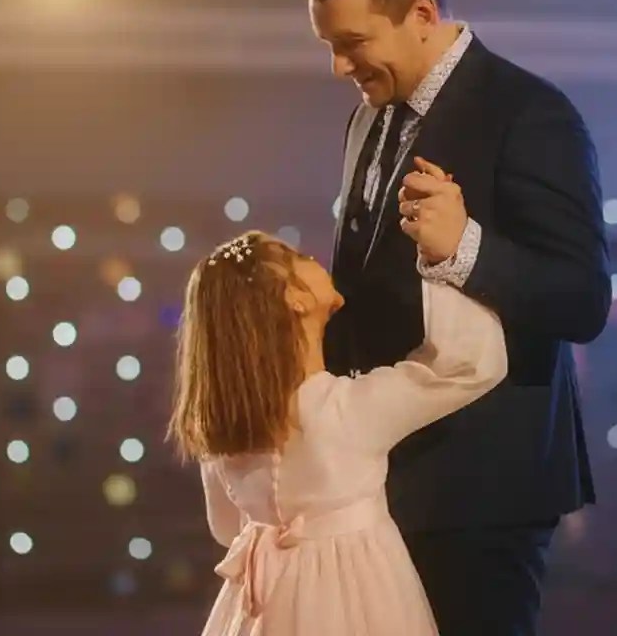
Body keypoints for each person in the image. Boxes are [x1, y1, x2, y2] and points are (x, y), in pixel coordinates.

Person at [303, 0, 610, 633]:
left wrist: (464, 247)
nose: (340, 67)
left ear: (420, 15)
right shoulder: (367, 118)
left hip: (484, 491)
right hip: (380, 476)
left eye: (352, 44)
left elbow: (584, 299)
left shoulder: (531, 113)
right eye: (330, 47)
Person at [169, 230, 507, 635]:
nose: (311, 256)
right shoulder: (343, 412)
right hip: (360, 597)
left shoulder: (224, 435)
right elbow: (464, 367)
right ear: (294, 299)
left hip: (258, 610)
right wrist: (445, 257)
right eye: (295, 256)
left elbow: (227, 529)